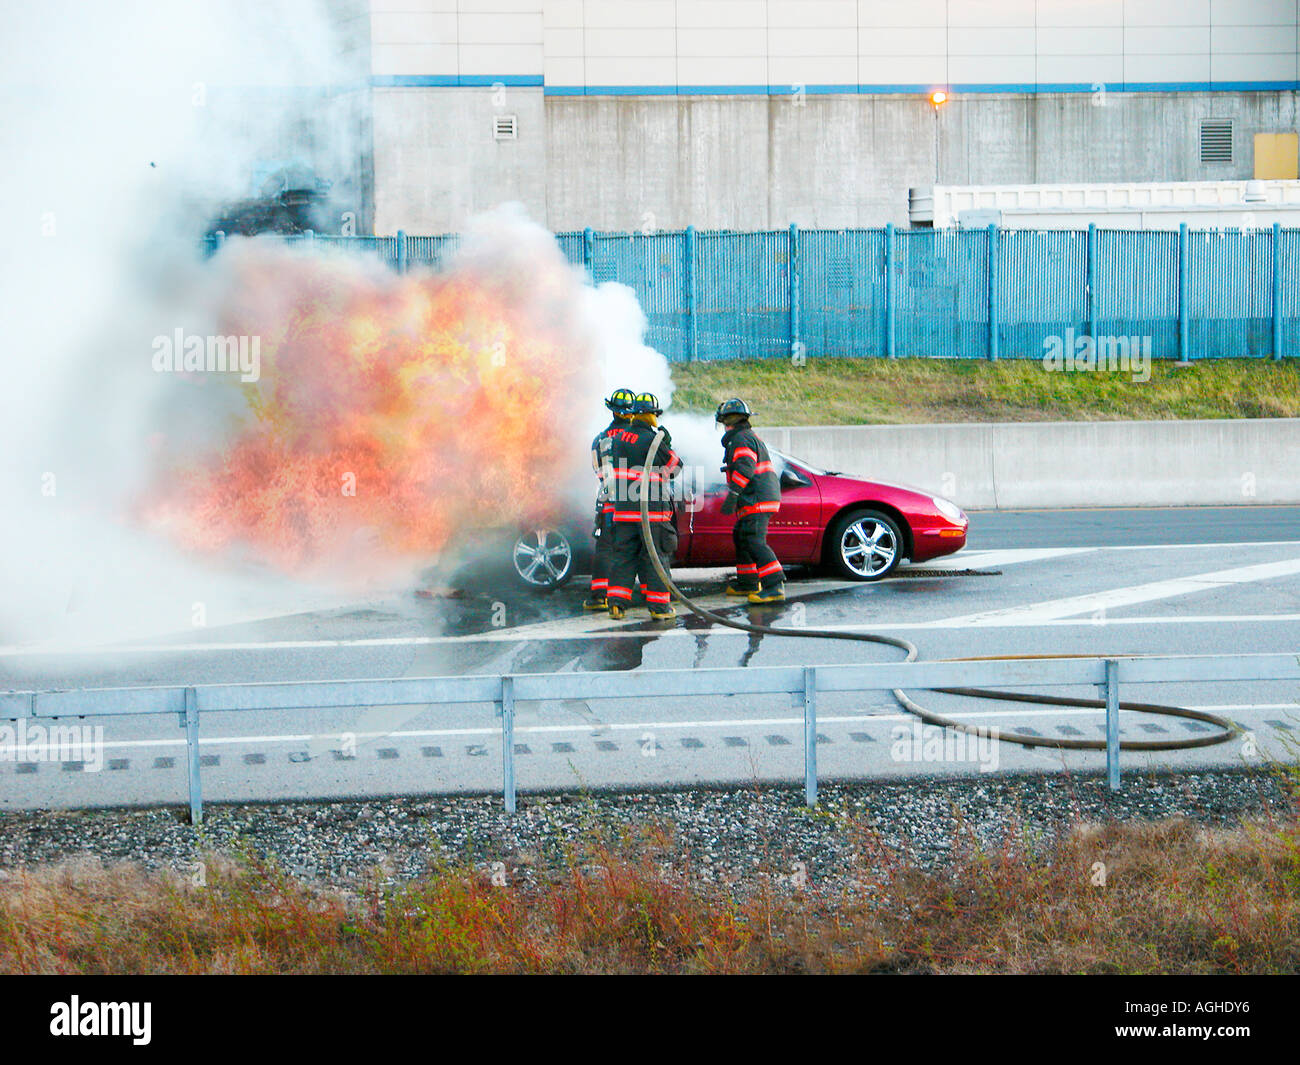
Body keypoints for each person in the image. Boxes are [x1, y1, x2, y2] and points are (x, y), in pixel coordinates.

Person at [605, 392, 681, 621]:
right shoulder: (654, 440)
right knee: (655, 557)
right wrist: (666, 444)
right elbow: (675, 469)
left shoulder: (618, 439)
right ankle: (660, 608)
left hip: (625, 510)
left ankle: (616, 605)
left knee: (624, 556)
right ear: (652, 415)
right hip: (651, 512)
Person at [716, 397, 784, 603]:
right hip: (758, 496)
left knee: (754, 540)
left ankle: (774, 586)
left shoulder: (741, 439)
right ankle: (748, 583)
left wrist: (734, 494)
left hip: (757, 498)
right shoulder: (745, 436)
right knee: (742, 536)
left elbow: (745, 466)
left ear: (727, 421)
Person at [583, 388, 638, 611]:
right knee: (636, 548)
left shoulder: (600, 439)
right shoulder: (637, 437)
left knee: (605, 549)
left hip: (609, 503)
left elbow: (597, 470)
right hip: (635, 503)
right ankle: (650, 595)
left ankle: (598, 596)